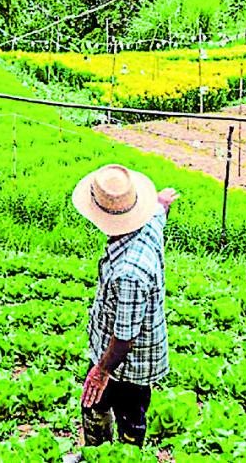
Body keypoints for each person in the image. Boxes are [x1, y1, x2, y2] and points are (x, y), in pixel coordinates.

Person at [71, 164, 178, 448]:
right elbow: (160, 212)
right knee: (95, 406)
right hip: (115, 349)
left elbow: (124, 338)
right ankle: (96, 455)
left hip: (131, 361)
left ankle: (125, 454)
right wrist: (162, 202)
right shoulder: (149, 225)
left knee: (125, 412)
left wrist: (101, 371)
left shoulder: (129, 272)